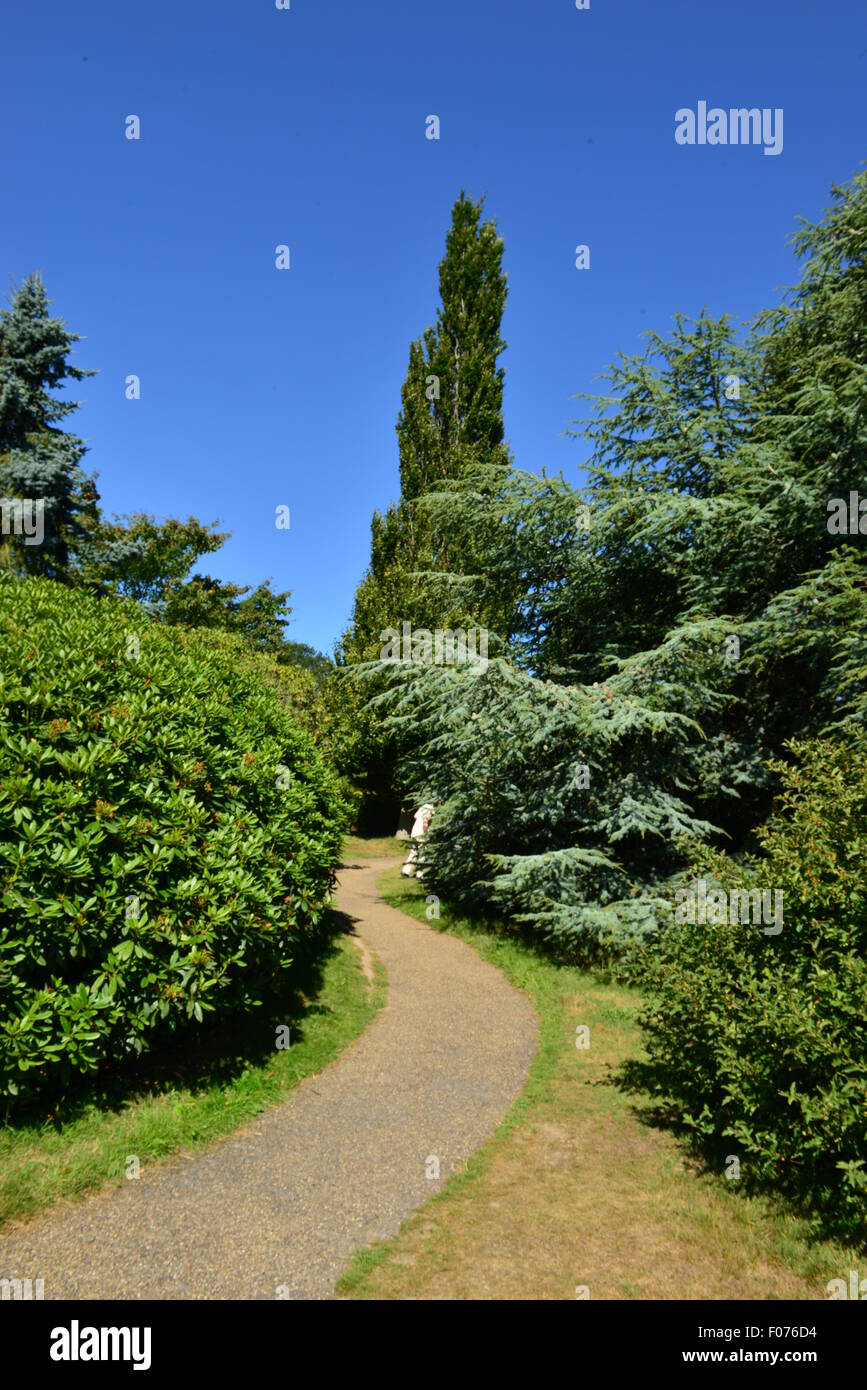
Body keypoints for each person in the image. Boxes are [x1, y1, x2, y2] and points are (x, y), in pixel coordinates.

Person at [401, 801, 435, 878]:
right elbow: (426, 821)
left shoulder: (424, 806)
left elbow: (415, 816)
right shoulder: (431, 808)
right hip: (421, 833)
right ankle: (419, 874)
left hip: (414, 831)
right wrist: (426, 832)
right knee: (422, 853)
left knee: (413, 852)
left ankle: (405, 871)